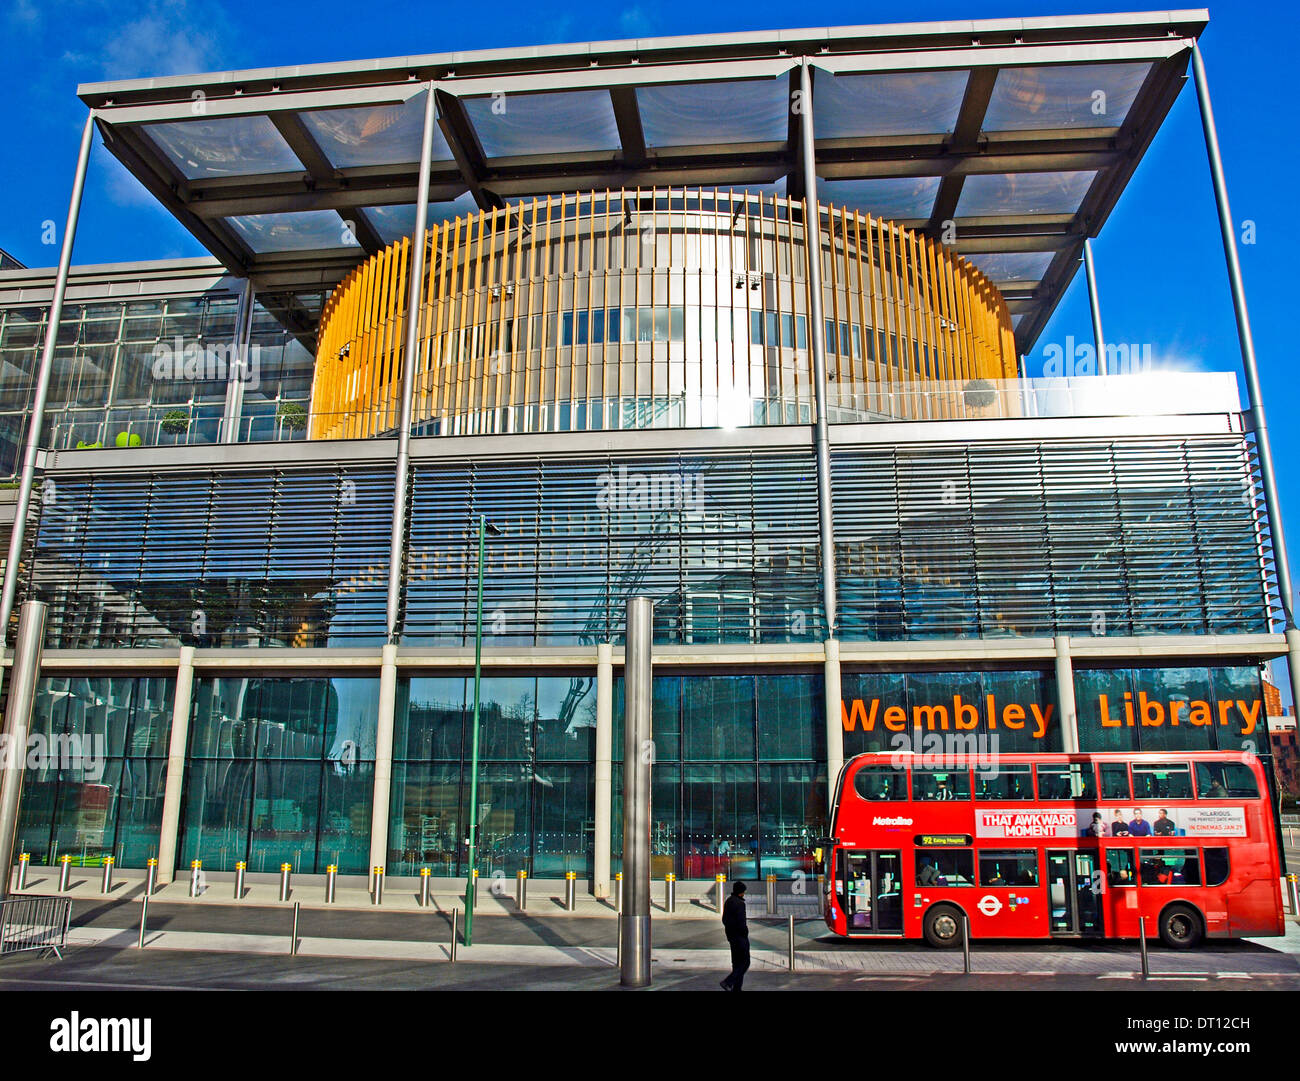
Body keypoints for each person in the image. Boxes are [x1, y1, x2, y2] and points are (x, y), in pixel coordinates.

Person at [720, 881, 750, 991]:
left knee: (737, 964)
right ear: (741, 892)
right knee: (745, 962)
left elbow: (724, 919)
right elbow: (742, 923)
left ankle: (736, 988)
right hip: (740, 938)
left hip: (732, 937)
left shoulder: (728, 901)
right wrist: (744, 933)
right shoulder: (740, 904)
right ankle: (728, 982)